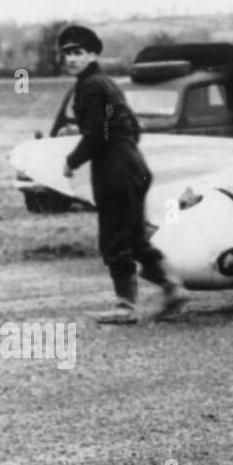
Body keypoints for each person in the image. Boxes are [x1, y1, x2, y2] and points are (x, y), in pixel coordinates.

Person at [58, 25, 189, 324]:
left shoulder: (89, 86)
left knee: (114, 240)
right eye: (67, 54)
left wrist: (72, 161)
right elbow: (132, 126)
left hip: (114, 170)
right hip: (134, 165)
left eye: (78, 53)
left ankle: (125, 306)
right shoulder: (108, 83)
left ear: (92, 54)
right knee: (135, 238)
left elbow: (96, 135)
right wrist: (125, 152)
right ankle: (173, 287)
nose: (71, 59)